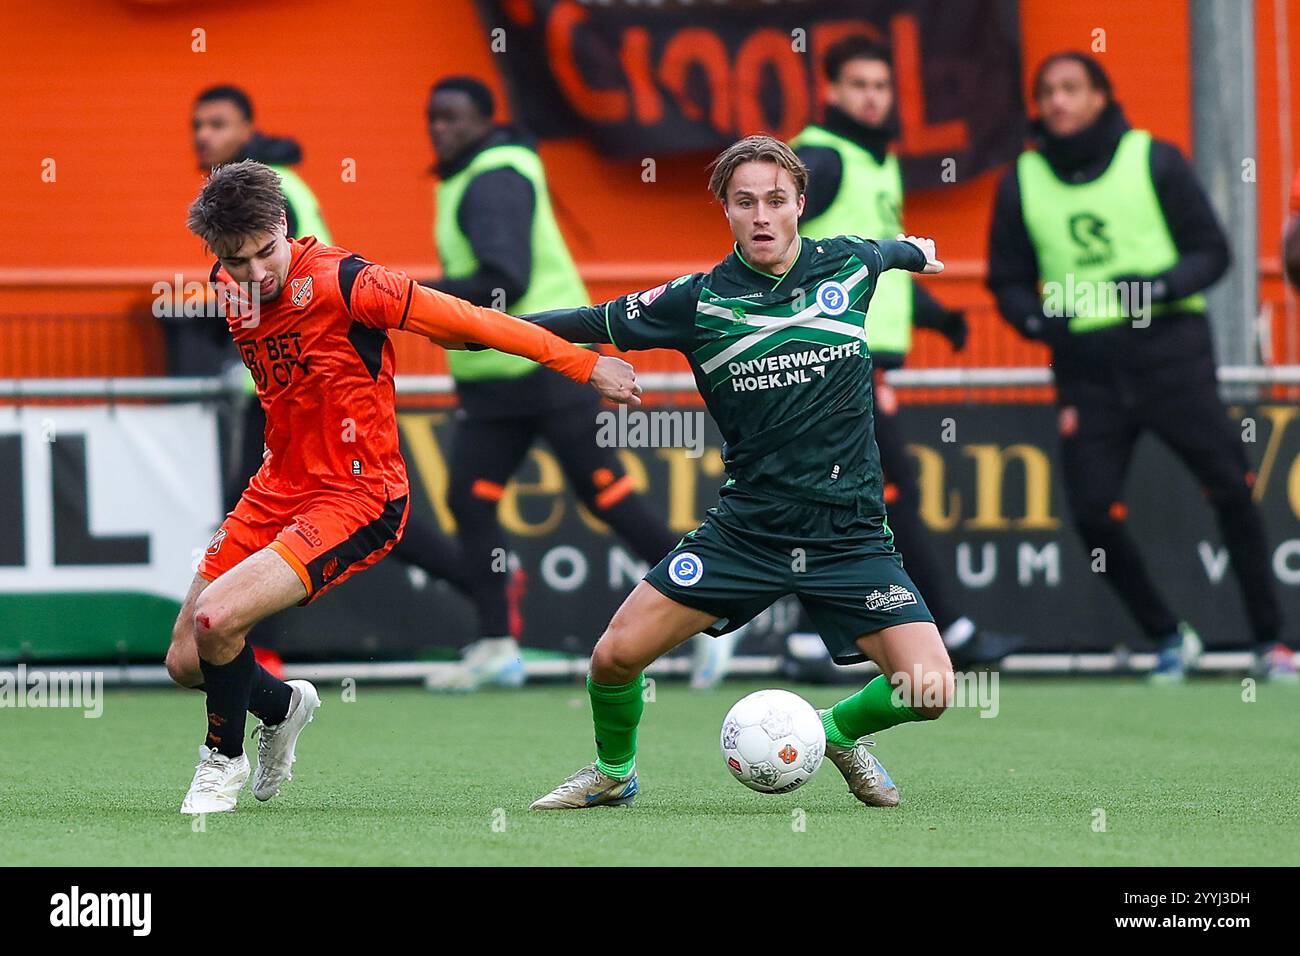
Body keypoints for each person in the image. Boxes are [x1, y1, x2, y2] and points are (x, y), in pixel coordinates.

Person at [168, 160, 641, 814]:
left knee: (216, 618)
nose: (254, 274)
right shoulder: (229, 285)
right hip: (275, 486)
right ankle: (280, 707)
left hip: (357, 495)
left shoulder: (349, 281)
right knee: (186, 660)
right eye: (235, 261)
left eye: (264, 253)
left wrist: (584, 365)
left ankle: (221, 761)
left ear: (283, 225)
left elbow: (473, 324)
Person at [525, 135, 953, 810]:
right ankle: (613, 772)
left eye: (776, 200)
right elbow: (584, 320)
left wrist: (914, 251)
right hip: (749, 532)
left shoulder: (849, 264)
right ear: (725, 209)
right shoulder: (697, 301)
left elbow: (888, 250)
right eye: (744, 201)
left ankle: (833, 733)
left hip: (849, 537)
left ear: (800, 204)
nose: (761, 216)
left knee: (929, 689)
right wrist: (485, 326)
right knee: (613, 657)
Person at [421, 76, 742, 690]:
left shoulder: (494, 175)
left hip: (547, 367)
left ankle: (716, 608)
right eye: (433, 117)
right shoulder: (468, 175)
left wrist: (412, 300)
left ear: (485, 120)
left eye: (453, 116)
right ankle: (497, 644)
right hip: (496, 382)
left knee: (607, 496)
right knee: (470, 500)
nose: (440, 128)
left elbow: (504, 280)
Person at [987, 51, 1292, 681]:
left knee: (1231, 489)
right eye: (1047, 92)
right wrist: (1039, 323)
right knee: (1091, 511)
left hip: (1169, 354)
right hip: (1085, 370)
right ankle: (1168, 636)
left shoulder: (1153, 158)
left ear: (1101, 96)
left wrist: (1154, 288)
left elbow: (1212, 252)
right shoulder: (1021, 180)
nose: (1058, 102)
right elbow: (1008, 282)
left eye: (1072, 88)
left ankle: (1271, 642)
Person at [792, 36, 1022, 669]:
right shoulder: (820, 159)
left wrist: (936, 315)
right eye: (858, 85)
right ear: (831, 90)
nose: (872, 98)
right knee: (881, 493)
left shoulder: (879, 163)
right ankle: (945, 630)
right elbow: (781, 255)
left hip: (863, 360)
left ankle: (814, 638)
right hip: (830, 363)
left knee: (846, 497)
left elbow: (870, 267)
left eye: (881, 86)